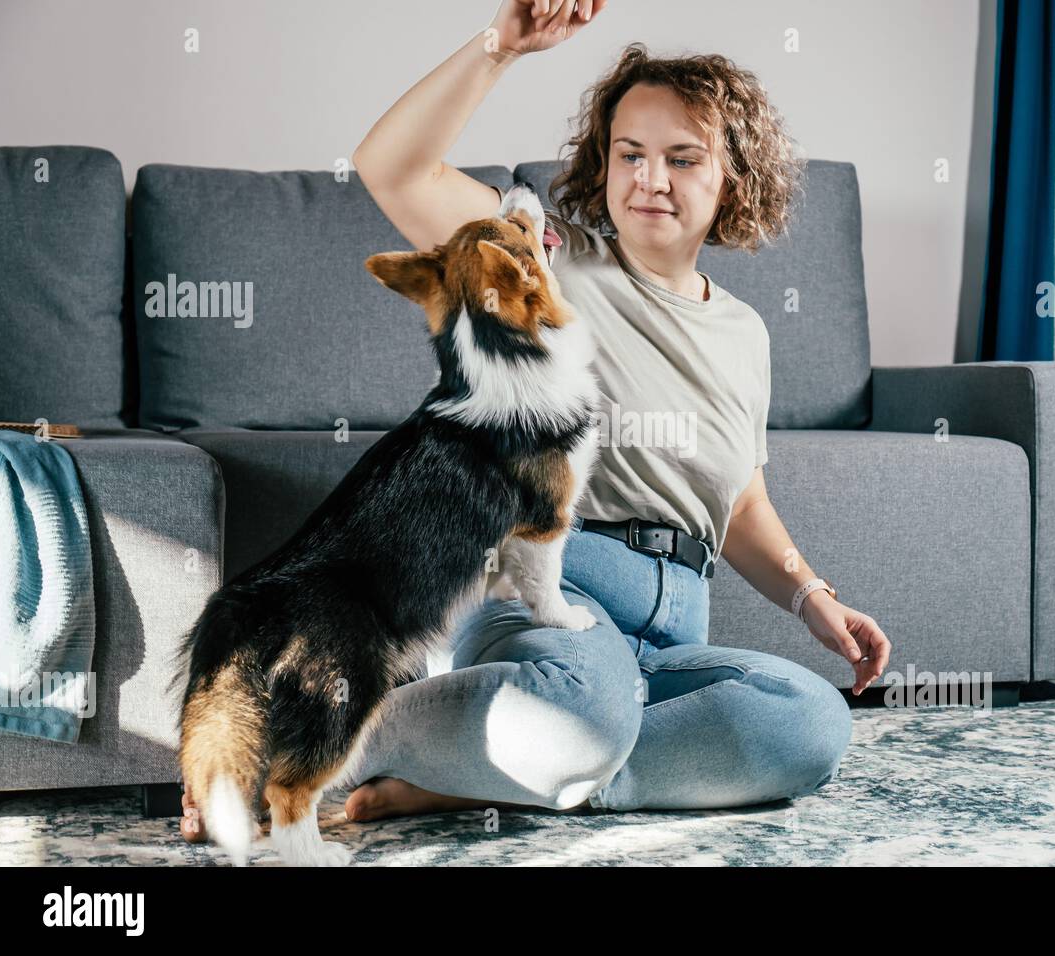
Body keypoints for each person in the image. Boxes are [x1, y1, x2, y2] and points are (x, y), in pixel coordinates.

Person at [181, 0, 891, 842]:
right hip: (549, 595)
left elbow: (739, 503)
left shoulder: (745, 332)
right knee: (582, 715)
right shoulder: (549, 262)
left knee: (808, 724)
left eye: (681, 158)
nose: (648, 179)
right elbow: (393, 169)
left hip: (668, 631)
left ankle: (504, 775)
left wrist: (812, 595)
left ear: (733, 176)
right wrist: (502, 47)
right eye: (629, 154)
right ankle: (338, 739)